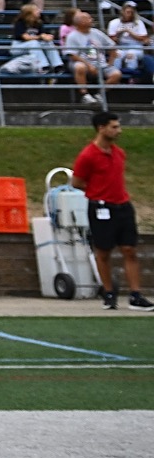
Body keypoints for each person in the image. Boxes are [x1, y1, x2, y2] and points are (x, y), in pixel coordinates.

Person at [74, 110, 149, 310]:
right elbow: (77, 182)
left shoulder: (118, 153)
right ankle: (108, 292)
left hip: (122, 206)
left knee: (129, 249)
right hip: (101, 207)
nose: (119, 131)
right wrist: (97, 193)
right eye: (114, 127)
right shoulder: (88, 155)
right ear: (101, 128)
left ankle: (135, 294)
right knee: (104, 251)